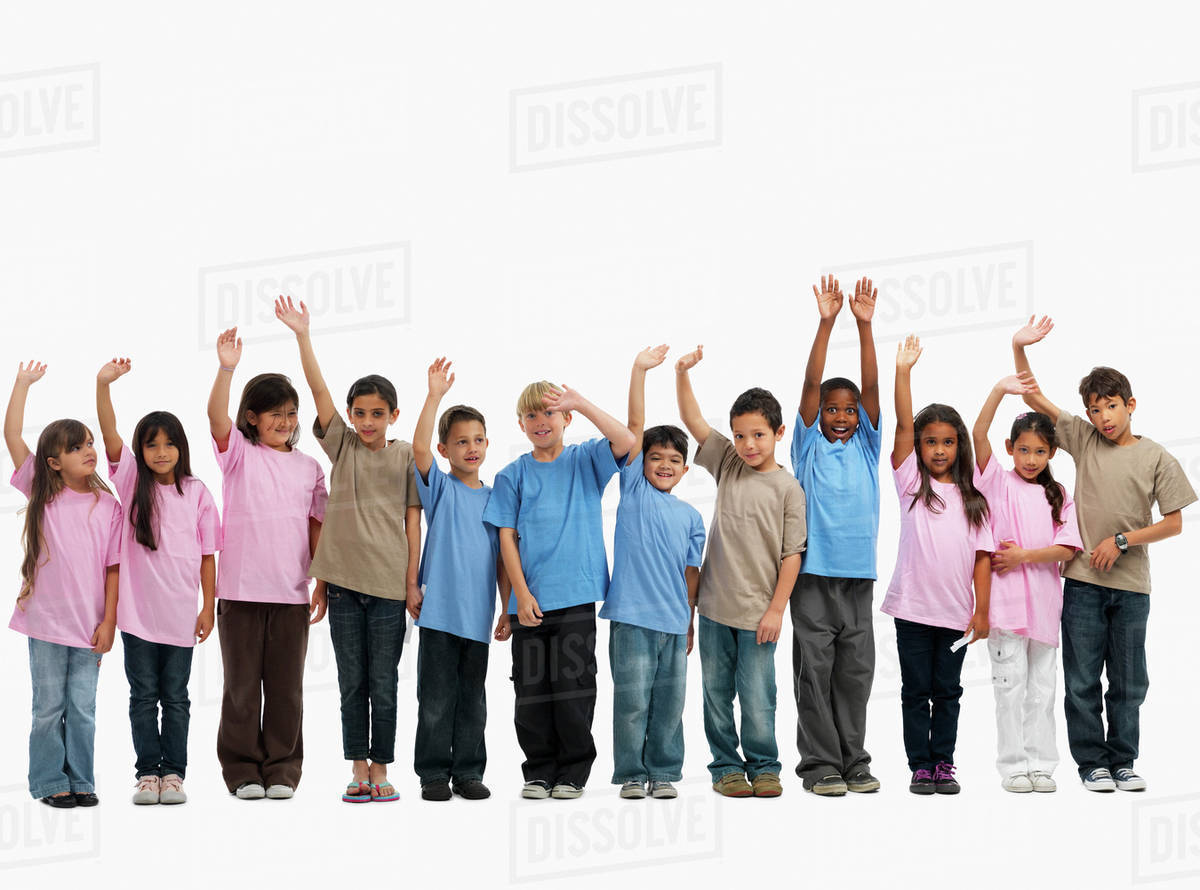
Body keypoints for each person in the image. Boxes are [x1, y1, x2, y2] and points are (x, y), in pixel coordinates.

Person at [1013, 316, 1195, 792]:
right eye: (1095, 410)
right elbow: (1033, 397)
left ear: (1130, 405)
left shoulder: (1157, 457)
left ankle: (1123, 760)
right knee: (1081, 680)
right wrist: (1019, 346)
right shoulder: (1083, 439)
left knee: (1130, 682)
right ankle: (1092, 763)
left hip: (1131, 588)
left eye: (1111, 406)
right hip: (1082, 584)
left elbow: (1174, 523)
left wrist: (1121, 541)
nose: (1104, 418)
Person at [275, 297, 419, 803]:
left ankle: (382, 767)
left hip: (388, 588)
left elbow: (413, 520)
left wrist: (411, 584)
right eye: (360, 413)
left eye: (378, 414)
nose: (367, 421)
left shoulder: (405, 456)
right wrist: (303, 336)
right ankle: (357, 766)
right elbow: (318, 391)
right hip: (342, 587)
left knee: (385, 682)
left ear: (394, 415)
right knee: (351, 682)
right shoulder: (343, 445)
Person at [483, 376, 635, 800]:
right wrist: (519, 595)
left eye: (549, 412)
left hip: (576, 596)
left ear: (566, 418)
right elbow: (506, 539)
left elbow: (626, 440)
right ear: (521, 424)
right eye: (531, 415)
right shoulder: (512, 475)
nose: (540, 421)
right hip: (528, 602)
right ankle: (539, 770)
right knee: (530, 689)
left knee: (573, 687)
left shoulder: (586, 460)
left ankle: (572, 771)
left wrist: (581, 402)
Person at [675, 345, 806, 798]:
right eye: (739, 435)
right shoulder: (728, 463)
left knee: (757, 696)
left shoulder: (788, 488)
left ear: (779, 433)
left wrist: (776, 610)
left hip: (758, 615)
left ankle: (765, 765)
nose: (748, 445)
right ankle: (726, 767)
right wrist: (682, 374)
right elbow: (693, 420)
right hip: (714, 608)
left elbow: (792, 554)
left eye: (758, 435)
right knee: (715, 694)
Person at [207, 326, 328, 801]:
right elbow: (215, 416)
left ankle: (282, 770)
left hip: (290, 594)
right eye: (274, 413)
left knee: (286, 691)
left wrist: (322, 583)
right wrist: (226, 369)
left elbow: (317, 528)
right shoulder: (239, 454)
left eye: (291, 412)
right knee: (240, 690)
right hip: (239, 593)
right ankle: (242, 771)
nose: (285, 420)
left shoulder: (309, 467)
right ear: (252, 418)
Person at [96, 358, 220, 805]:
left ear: (181, 447)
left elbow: (207, 557)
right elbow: (109, 433)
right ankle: (148, 773)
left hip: (181, 617)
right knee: (143, 696)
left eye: (169, 444)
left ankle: (175, 775)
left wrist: (208, 607)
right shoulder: (132, 482)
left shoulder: (197, 492)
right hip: (137, 617)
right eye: (152, 445)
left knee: (177, 698)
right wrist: (103, 385)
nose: (161, 452)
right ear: (141, 451)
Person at [6, 360, 121, 808]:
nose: (89, 450)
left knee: (83, 709)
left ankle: (82, 778)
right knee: (48, 708)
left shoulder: (108, 505)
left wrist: (109, 622)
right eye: (76, 447)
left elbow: (114, 569)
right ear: (54, 462)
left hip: (90, 627)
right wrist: (22, 385)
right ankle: (50, 780)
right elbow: (12, 435)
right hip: (47, 624)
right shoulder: (44, 490)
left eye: (89, 443)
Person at [883, 335, 993, 795]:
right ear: (919, 447)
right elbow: (901, 426)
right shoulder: (911, 483)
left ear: (959, 445)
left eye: (948, 442)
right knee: (915, 692)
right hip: (911, 611)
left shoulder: (974, 497)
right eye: (930, 442)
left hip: (955, 615)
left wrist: (982, 611)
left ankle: (943, 763)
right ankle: (919, 765)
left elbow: (983, 559)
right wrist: (903, 373)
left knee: (948, 692)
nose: (940, 450)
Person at [789, 276, 882, 796]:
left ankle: (855, 761)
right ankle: (820, 764)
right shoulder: (808, 446)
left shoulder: (867, 446)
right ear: (818, 414)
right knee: (815, 672)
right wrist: (826, 324)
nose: (842, 416)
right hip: (812, 577)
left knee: (855, 674)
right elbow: (810, 385)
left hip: (858, 578)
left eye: (849, 410)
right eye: (832, 409)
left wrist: (865, 327)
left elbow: (872, 389)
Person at [600, 346, 705, 800]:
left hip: (673, 623)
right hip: (631, 619)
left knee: (669, 706)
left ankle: (662, 771)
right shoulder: (634, 490)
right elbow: (634, 427)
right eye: (656, 457)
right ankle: (630, 773)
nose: (664, 465)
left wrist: (690, 619)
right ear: (641, 463)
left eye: (674, 460)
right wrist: (639, 371)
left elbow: (691, 573)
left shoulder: (692, 517)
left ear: (684, 469)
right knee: (631, 702)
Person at [971, 373, 1082, 793]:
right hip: (1007, 609)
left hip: (1046, 609)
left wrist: (1023, 556)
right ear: (1009, 448)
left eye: (1039, 451)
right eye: (1023, 450)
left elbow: (1066, 548)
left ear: (1052, 452)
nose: (1031, 459)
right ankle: (1013, 765)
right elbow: (978, 432)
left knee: (1043, 690)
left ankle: (1041, 764)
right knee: (1010, 688)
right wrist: (999, 390)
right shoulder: (996, 482)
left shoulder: (1059, 494)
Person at [411, 357, 510, 801]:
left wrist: (506, 608)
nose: (471, 448)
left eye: (478, 440)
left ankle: (468, 771)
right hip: (438, 614)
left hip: (477, 618)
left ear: (487, 443)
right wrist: (434, 396)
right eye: (461, 442)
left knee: (473, 699)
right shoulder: (441, 489)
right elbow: (418, 450)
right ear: (445, 449)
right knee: (435, 699)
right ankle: (433, 773)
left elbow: (504, 560)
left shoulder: (497, 498)